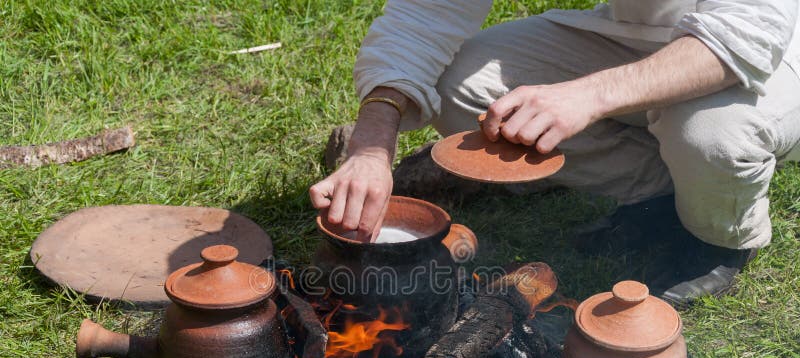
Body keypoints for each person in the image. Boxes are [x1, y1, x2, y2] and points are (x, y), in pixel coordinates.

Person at [309, 1, 800, 307]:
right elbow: (424, 15)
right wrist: (371, 147)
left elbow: (747, 34)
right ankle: (670, 183)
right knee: (463, 87)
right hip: (639, 28)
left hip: (773, 48)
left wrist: (587, 96)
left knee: (711, 135)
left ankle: (718, 237)